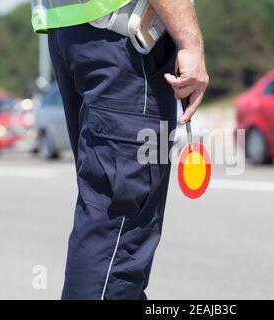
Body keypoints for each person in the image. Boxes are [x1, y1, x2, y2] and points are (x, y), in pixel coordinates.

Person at [31, 0, 209, 300]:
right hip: (123, 42)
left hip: (72, 34)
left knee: (111, 222)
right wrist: (190, 42)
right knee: (116, 226)